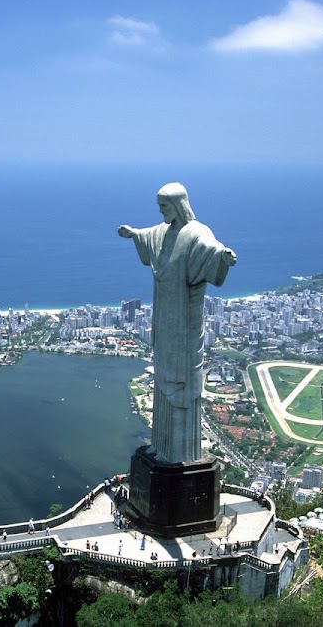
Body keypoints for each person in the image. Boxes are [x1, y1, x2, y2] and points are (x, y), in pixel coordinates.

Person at [118, 183, 236, 464]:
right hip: (165, 317)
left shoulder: (196, 232)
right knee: (162, 378)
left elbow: (212, 250)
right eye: (159, 207)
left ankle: (181, 452)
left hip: (185, 321)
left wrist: (224, 257)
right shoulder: (162, 231)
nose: (161, 212)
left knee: (183, 380)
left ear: (179, 205)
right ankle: (161, 446)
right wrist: (133, 233)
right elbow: (148, 237)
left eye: (165, 207)